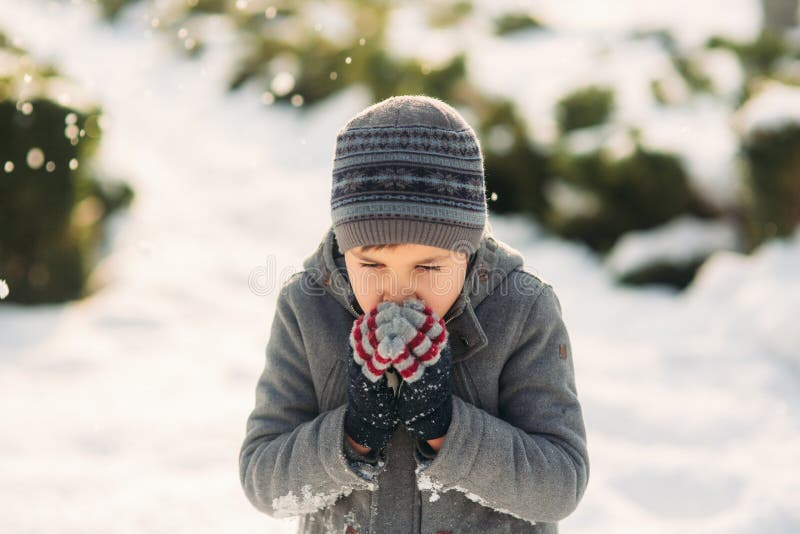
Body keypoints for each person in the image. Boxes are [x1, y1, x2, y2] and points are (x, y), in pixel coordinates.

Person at [239, 95, 589, 533]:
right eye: (371, 266)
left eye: (428, 268)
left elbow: (561, 484)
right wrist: (353, 435)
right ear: (344, 249)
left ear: (469, 248)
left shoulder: (521, 309)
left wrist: (447, 428)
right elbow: (262, 480)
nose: (399, 291)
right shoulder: (306, 308)